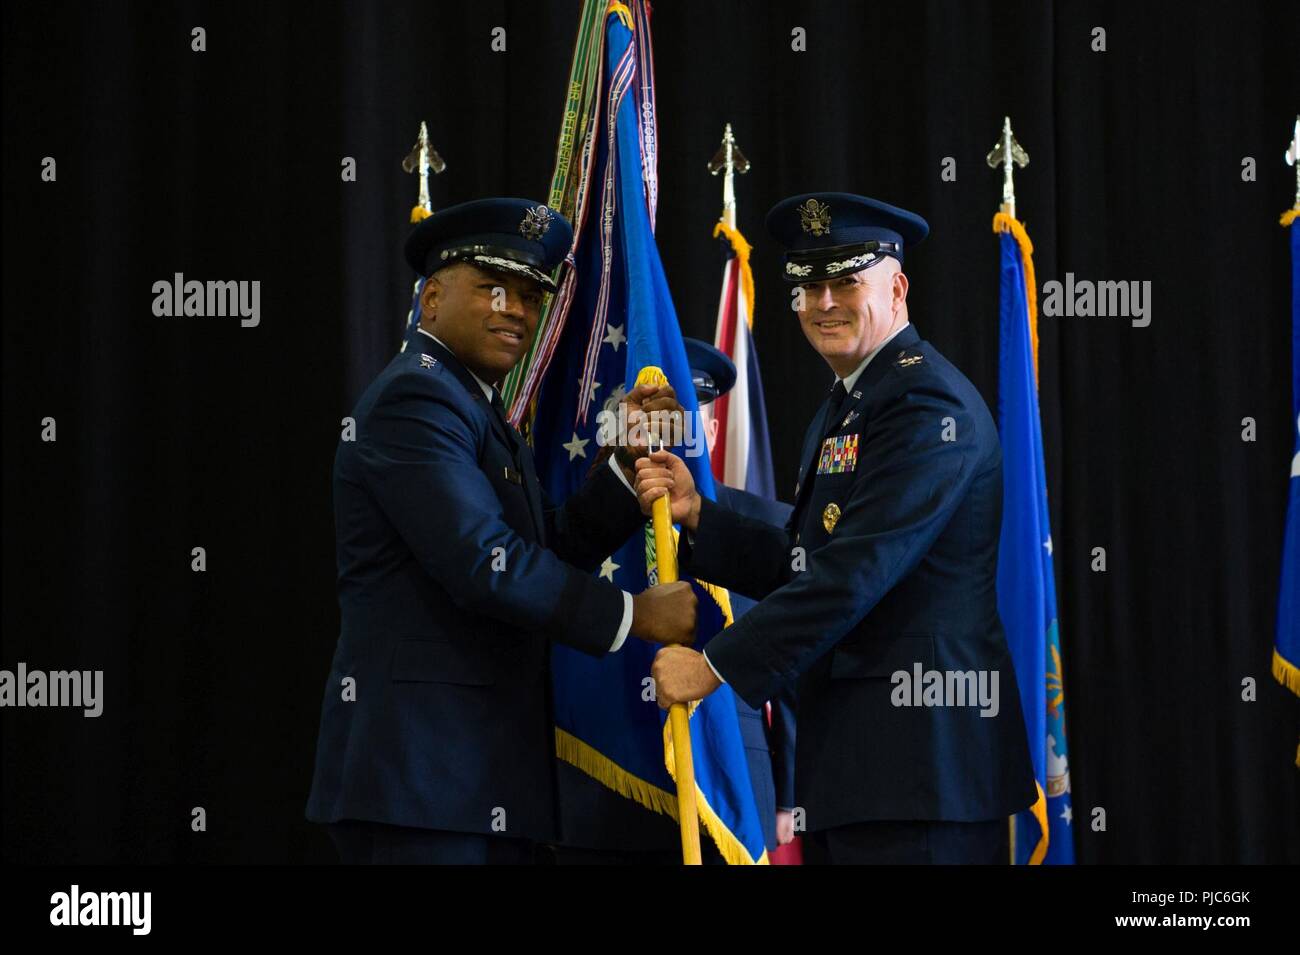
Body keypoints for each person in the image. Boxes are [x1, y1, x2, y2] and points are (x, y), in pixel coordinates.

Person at [639, 193, 1036, 864]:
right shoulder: (847, 405)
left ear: (898, 287)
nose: (823, 301)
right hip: (859, 776)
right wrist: (699, 513)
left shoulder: (924, 403)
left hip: (922, 777)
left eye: (846, 280)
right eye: (808, 285)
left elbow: (852, 574)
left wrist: (713, 667)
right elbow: (807, 558)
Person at [306, 197, 696, 864]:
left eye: (528, 294)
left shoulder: (478, 410)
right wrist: (634, 615)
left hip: (474, 779)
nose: (515, 309)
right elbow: (488, 564)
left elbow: (546, 545)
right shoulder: (416, 400)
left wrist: (628, 466)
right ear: (430, 299)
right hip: (421, 783)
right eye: (492, 288)